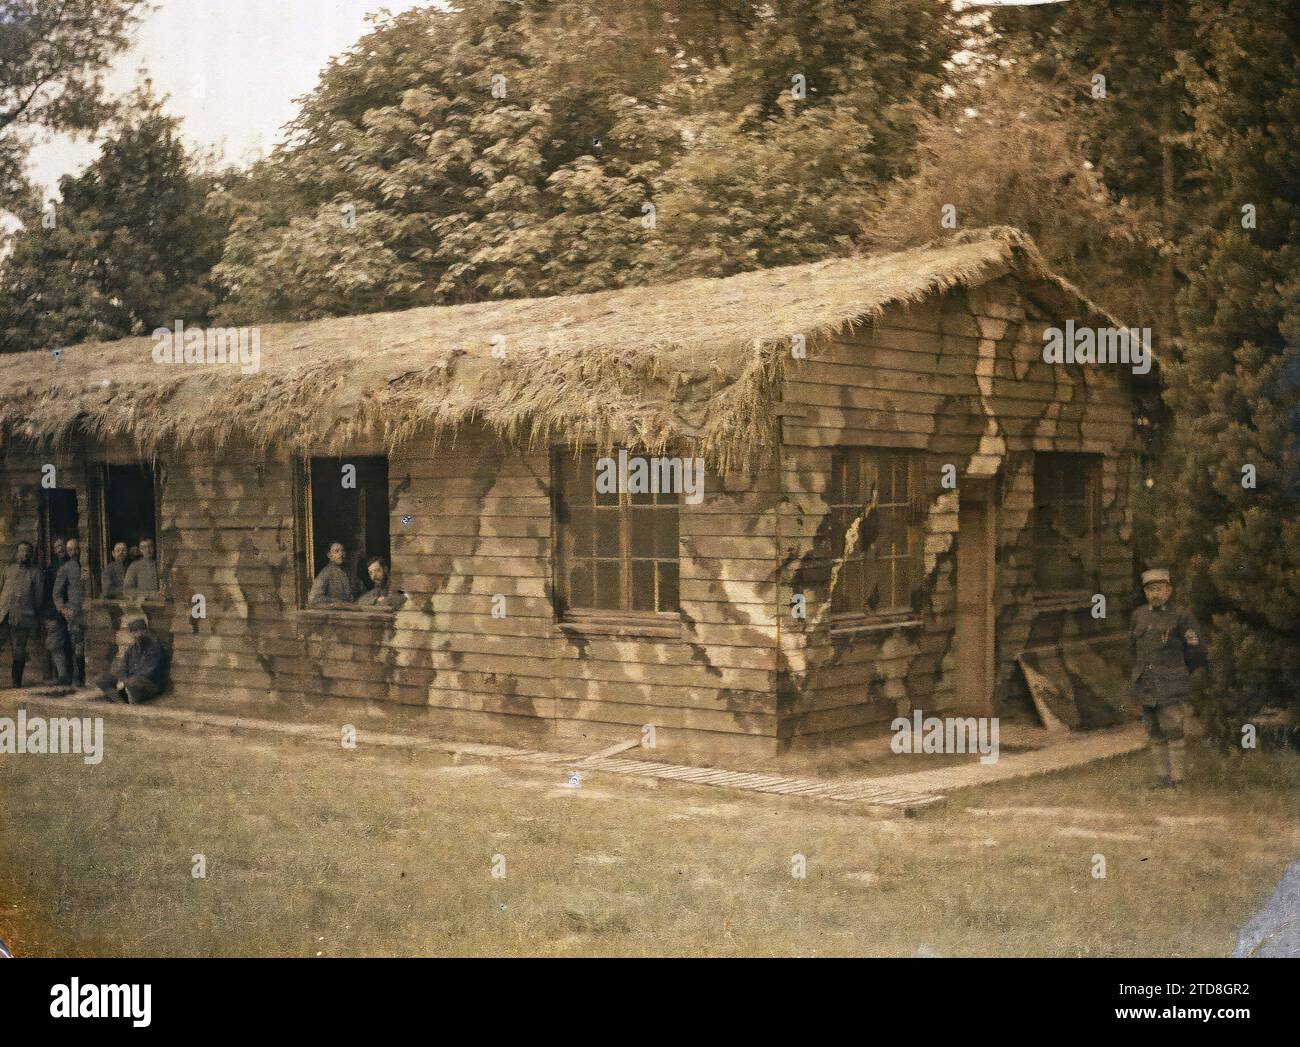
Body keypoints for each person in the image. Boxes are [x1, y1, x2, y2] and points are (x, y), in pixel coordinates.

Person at [1130, 567, 1207, 789]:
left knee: (1173, 730)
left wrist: (1179, 674)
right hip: (1146, 684)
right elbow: (1132, 647)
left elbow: (1196, 651)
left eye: (1159, 589)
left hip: (1170, 684)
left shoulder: (1182, 616)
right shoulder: (1138, 615)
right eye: (1150, 589)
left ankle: (1178, 780)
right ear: (1145, 592)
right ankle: (1162, 778)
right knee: (1154, 731)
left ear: (1169, 590)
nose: (1155, 594)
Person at [94, 613, 166, 704]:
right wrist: (122, 679)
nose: (139, 634)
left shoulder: (154, 648)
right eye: (135, 631)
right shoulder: (131, 649)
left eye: (142, 630)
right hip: (129, 683)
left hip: (150, 684)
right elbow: (123, 668)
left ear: (146, 631)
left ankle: (133, 704)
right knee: (101, 679)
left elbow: (148, 672)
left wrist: (125, 682)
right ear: (131, 633)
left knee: (133, 682)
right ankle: (120, 703)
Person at [0, 542, 43, 688]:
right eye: (21, 551)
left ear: (31, 554)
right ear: (16, 553)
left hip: (23, 617)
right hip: (3, 615)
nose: (24, 554)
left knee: (19, 650)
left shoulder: (35, 573)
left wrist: (32, 614)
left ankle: (16, 682)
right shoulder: (7, 570)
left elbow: (38, 598)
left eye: (27, 551)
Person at [52, 537, 86, 687]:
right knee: (77, 647)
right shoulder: (65, 568)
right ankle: (78, 679)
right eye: (70, 550)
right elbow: (56, 593)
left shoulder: (88, 565)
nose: (74, 552)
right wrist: (64, 609)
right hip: (75, 613)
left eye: (76, 549)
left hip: (91, 612)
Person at [308, 542, 356, 606]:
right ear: (329, 555)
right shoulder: (325, 573)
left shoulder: (347, 571)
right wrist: (338, 602)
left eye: (343, 551)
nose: (341, 554)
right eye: (337, 551)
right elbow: (313, 598)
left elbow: (359, 588)